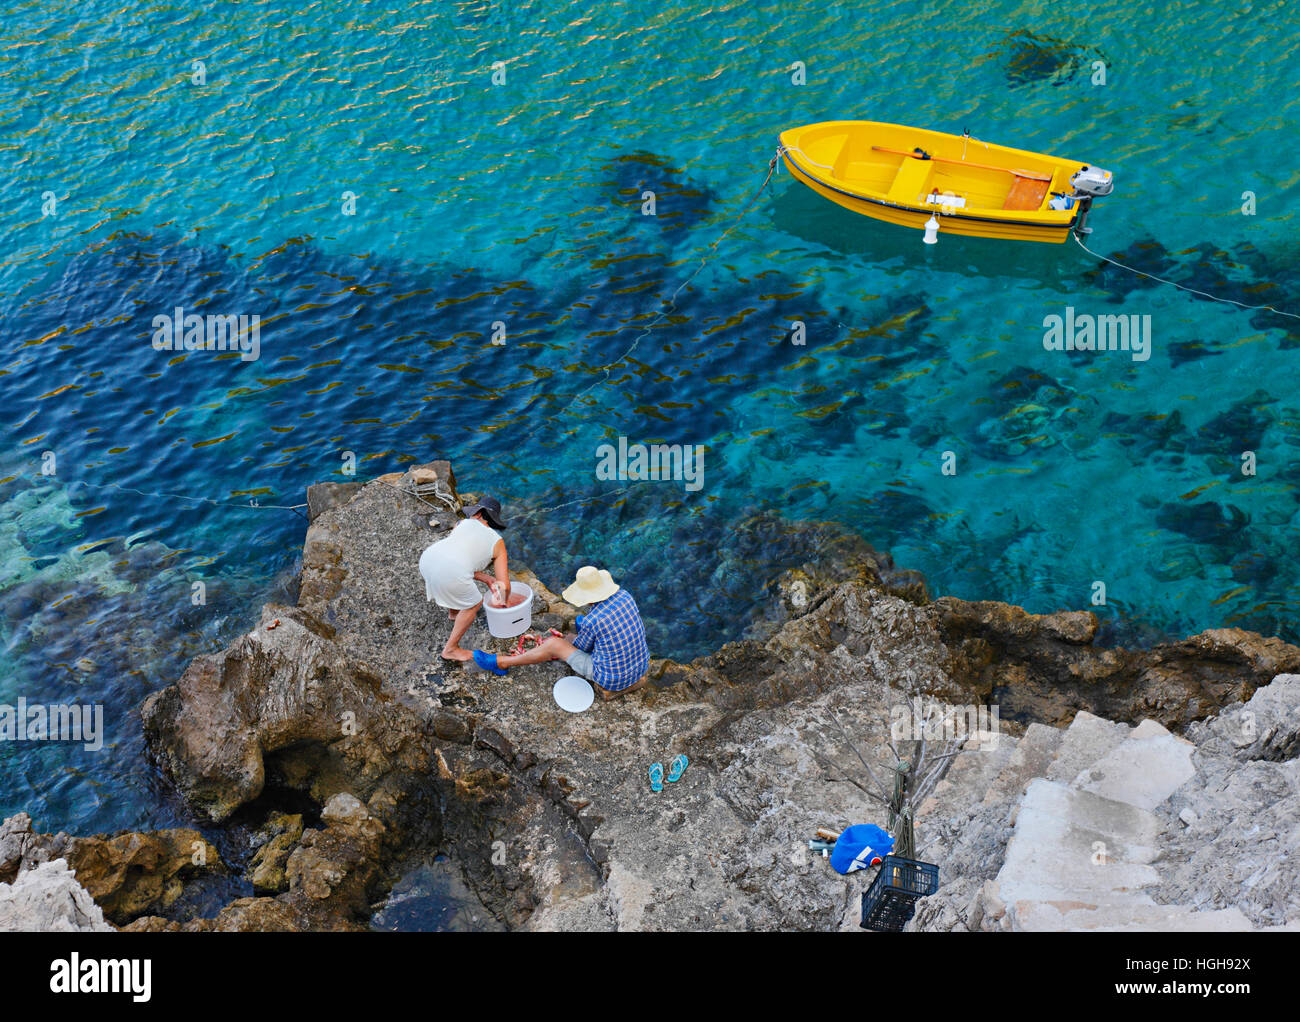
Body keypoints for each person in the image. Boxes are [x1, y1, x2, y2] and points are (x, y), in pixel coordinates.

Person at [472, 565, 650, 700]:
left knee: (554, 645)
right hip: (640, 665)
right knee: (580, 625)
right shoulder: (626, 595)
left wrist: (568, 640)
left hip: (611, 679)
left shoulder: (593, 620)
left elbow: (581, 647)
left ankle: (502, 662)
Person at [418, 497, 521, 662]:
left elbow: (456, 557)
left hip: (427, 560)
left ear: (477, 513)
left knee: (455, 580)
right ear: (492, 520)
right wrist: (504, 602)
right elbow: (504, 585)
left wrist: (486, 577)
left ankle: (454, 613)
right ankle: (451, 649)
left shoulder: (461, 524)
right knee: (474, 603)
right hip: (449, 572)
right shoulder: (497, 542)